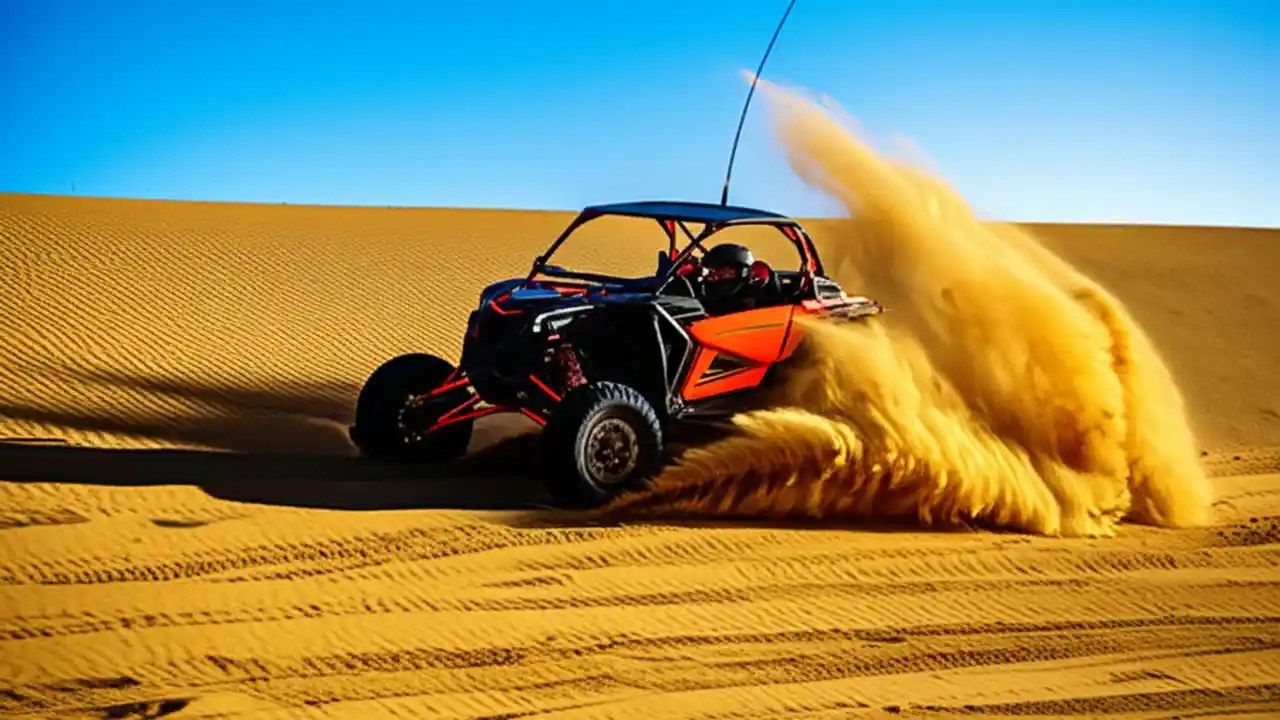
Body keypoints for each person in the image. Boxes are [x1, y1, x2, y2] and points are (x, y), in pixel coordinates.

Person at [699, 243, 777, 314]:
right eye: (712, 270)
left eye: (719, 271)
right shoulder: (709, 299)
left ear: (741, 272)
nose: (713, 275)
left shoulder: (755, 302)